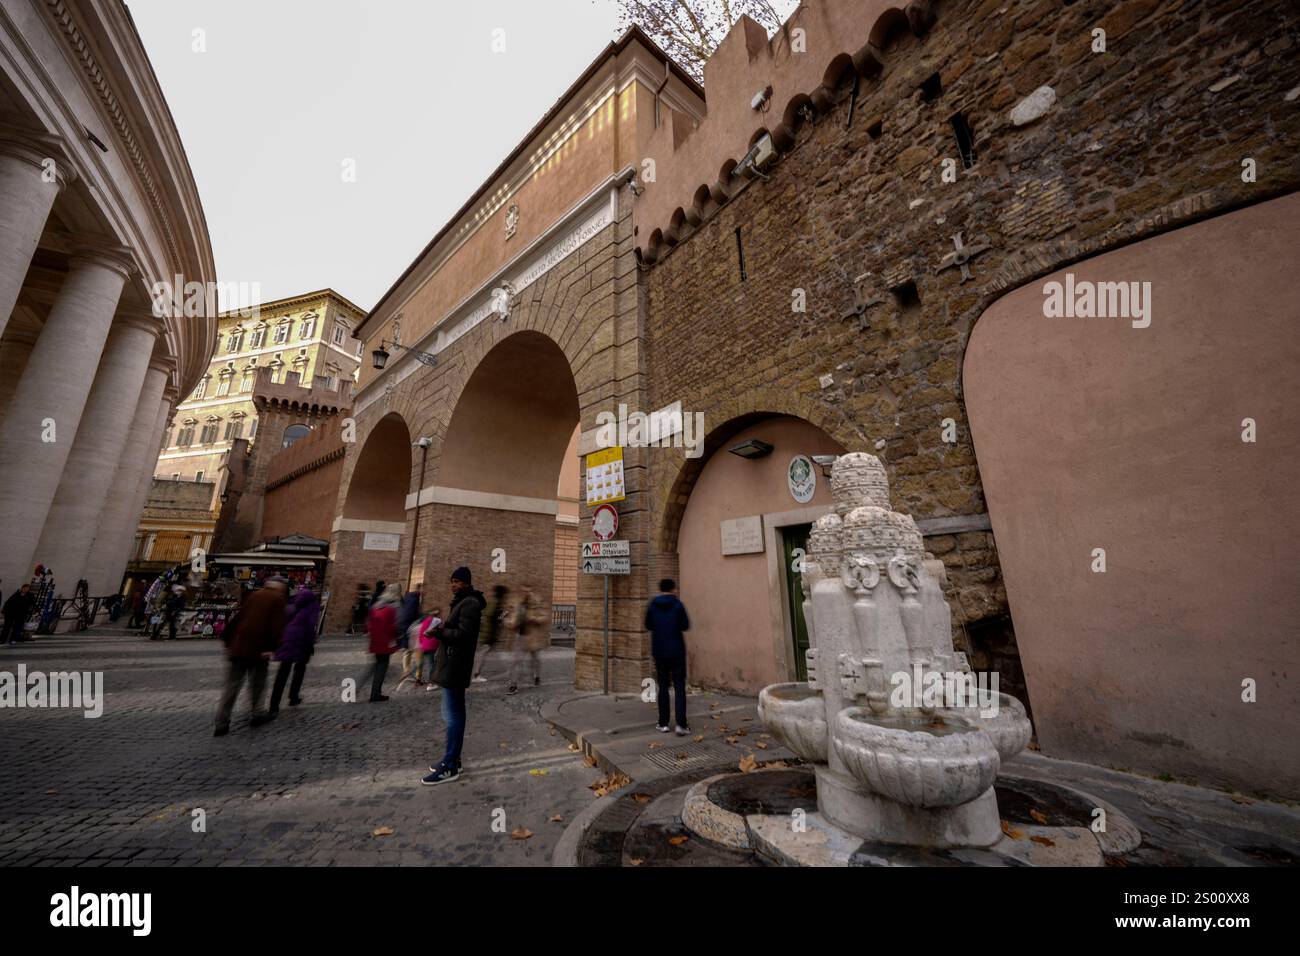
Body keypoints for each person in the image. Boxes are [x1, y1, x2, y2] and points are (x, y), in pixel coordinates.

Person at [423, 567, 483, 785]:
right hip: (453, 664)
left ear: (467, 582)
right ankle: (452, 761)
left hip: (456, 665)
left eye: (457, 581)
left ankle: (450, 766)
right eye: (452, 581)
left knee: (453, 717)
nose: (453, 584)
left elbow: (465, 635)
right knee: (451, 714)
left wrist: (440, 632)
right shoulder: (463, 601)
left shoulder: (469, 604)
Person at [214, 578, 288, 736]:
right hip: (258, 649)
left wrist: (227, 641)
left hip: (239, 647)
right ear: (280, 587)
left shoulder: (254, 595)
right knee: (258, 684)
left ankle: (221, 722)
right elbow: (277, 625)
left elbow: (237, 619)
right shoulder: (277, 599)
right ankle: (257, 714)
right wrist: (271, 647)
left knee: (232, 686)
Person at [645, 578, 691, 735]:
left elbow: (648, 625)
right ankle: (681, 725)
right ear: (672, 589)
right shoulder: (678, 605)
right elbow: (686, 625)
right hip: (677, 651)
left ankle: (663, 723)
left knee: (663, 686)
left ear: (660, 589)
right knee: (679, 687)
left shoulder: (652, 605)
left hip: (659, 651)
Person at [269, 586, 321, 713]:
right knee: (300, 670)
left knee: (282, 674)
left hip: (287, 642)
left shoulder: (291, 607)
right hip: (302, 644)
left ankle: (274, 704)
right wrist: (311, 643)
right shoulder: (310, 610)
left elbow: (281, 623)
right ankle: (293, 696)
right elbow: (310, 629)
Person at [360, 583, 401, 702]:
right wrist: (398, 638)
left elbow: (369, 624)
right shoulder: (391, 608)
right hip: (385, 643)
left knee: (374, 667)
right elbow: (392, 627)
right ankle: (375, 694)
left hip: (375, 641)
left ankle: (359, 688)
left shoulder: (376, 606)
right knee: (381, 668)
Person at [505, 586, 547, 695]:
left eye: (528, 590)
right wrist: (509, 623)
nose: (525, 593)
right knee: (515, 661)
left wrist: (534, 619)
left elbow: (544, 617)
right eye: (523, 590)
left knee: (535, 659)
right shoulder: (518, 605)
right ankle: (513, 685)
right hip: (520, 636)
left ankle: (537, 676)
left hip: (532, 637)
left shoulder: (536, 604)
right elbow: (512, 618)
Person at [470, 584, 509, 682]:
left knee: (484, 653)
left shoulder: (495, 602)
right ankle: (476, 674)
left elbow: (489, 616)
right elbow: (491, 617)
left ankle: (477, 673)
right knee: (483, 653)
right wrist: (503, 616)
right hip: (489, 633)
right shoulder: (495, 603)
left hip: (489, 633)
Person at [396, 583, 424, 688]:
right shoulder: (415, 600)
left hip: (406, 630)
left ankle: (406, 671)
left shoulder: (408, 598)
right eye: (422, 589)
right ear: (419, 589)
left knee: (407, 652)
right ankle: (418, 678)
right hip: (413, 630)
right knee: (419, 654)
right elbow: (412, 616)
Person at [417, 606, 443, 688]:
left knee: (429, 663)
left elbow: (421, 634)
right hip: (433, 646)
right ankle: (431, 683)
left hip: (425, 645)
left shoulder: (425, 621)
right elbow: (441, 633)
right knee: (432, 664)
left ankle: (429, 680)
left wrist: (422, 644)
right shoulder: (439, 622)